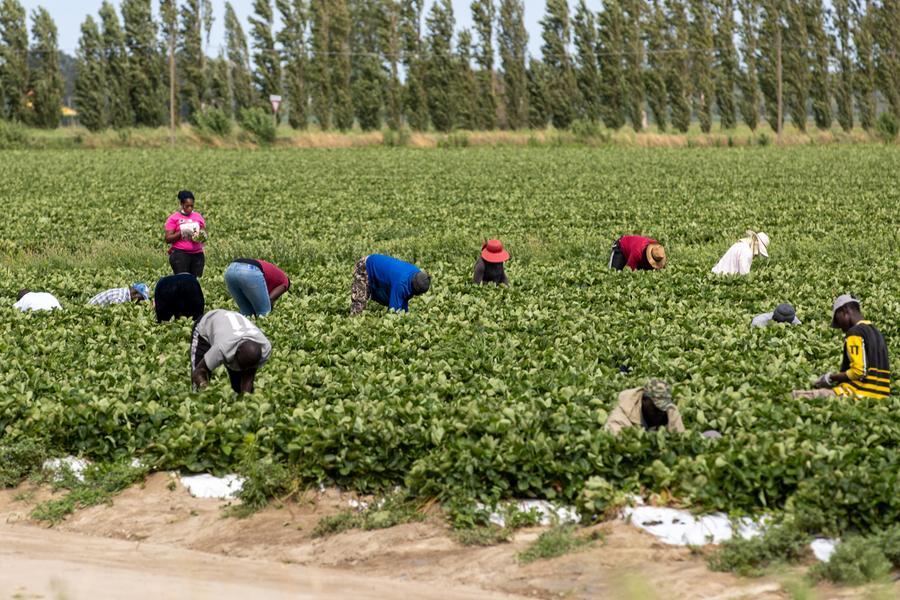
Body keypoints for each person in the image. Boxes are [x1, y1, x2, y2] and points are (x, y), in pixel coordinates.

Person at [793, 294, 890, 400]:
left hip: (857, 393)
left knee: (798, 396)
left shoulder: (855, 332)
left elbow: (859, 371)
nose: (840, 327)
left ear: (844, 311)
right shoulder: (877, 333)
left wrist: (830, 377)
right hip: (881, 396)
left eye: (837, 320)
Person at [191, 309, 272, 394]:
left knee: (238, 390)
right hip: (206, 325)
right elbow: (198, 372)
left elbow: (248, 376)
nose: (243, 369)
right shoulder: (222, 348)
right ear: (236, 353)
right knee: (198, 389)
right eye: (242, 365)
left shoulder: (264, 348)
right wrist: (208, 393)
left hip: (228, 331)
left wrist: (246, 400)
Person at [349, 254, 431, 316]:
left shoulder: (417, 272)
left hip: (378, 265)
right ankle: (352, 325)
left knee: (391, 299)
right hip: (365, 266)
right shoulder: (401, 284)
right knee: (359, 303)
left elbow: (403, 301)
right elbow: (393, 313)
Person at [604, 379, 686, 435]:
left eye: (663, 408)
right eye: (656, 408)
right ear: (644, 400)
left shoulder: (670, 411)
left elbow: (680, 438)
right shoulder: (620, 418)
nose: (660, 412)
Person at [223, 258, 290, 317]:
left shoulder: (273, 277)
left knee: (247, 314)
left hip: (230, 270)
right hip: (249, 271)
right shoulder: (285, 282)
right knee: (264, 313)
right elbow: (270, 299)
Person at [164, 190, 207, 278]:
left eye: (192, 206)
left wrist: (200, 236)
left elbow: (203, 233)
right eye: (187, 206)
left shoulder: (198, 217)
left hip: (197, 255)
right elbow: (168, 239)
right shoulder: (174, 218)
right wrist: (182, 232)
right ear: (182, 204)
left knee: (196, 281)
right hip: (180, 255)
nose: (190, 208)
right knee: (183, 280)